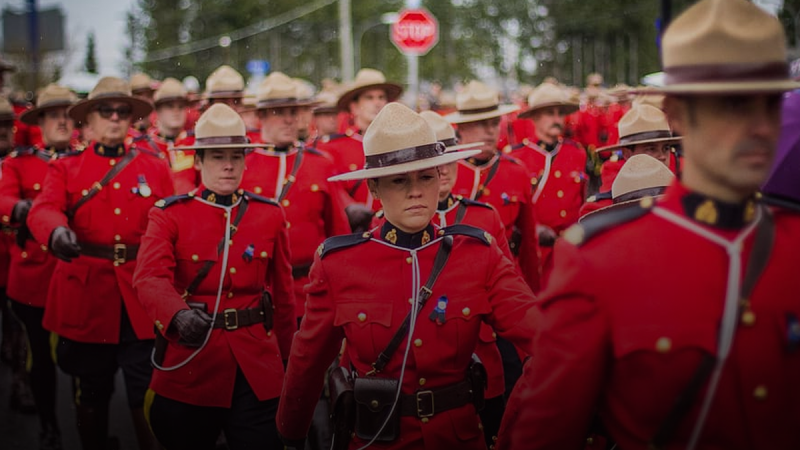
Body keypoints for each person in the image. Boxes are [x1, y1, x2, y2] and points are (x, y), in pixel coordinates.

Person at [498, 1, 800, 448]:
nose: (757, 126)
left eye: (768, 102)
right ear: (677, 113)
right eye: (730, 105)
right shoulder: (599, 261)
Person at [276, 102, 537, 449]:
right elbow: (308, 362)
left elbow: (546, 339)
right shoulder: (339, 264)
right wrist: (290, 436)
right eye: (399, 180)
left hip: (459, 438)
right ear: (374, 189)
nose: (416, 190)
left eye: (426, 176)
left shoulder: (478, 253)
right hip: (377, 437)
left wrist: (513, 431)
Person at [133, 103, 295, 450]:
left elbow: (283, 296)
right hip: (195, 359)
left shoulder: (269, 214)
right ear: (199, 160)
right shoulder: (169, 215)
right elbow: (148, 277)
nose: (228, 165)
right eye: (218, 156)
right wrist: (177, 315)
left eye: (236, 156)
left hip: (256, 363)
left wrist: (287, 362)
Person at [27, 76, 174, 450]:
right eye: (105, 111)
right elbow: (44, 210)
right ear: (88, 122)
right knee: (92, 391)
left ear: (131, 120)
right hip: (88, 296)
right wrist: (56, 232)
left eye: (122, 111)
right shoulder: (65, 168)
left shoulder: (154, 166)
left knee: (148, 389)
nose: (114, 117)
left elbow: (174, 222)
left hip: (140, 297)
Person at [420, 109, 511, 447]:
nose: (442, 169)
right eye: (432, 160)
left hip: (481, 358)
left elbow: (511, 293)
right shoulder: (383, 224)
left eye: (449, 157)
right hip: (419, 369)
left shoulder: (484, 218)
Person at [0, 84, 78, 450]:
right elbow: (4, 196)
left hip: (78, 277)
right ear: (41, 122)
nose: (62, 121)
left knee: (82, 361)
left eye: (67, 114)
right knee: (41, 360)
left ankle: (84, 428)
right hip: (34, 277)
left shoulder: (86, 160)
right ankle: (49, 426)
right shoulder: (19, 161)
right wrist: (22, 210)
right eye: (53, 114)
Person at [240, 71, 351, 324]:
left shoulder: (320, 164)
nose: (289, 119)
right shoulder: (244, 165)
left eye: (293, 111)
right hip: (258, 292)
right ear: (261, 116)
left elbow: (338, 233)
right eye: (279, 112)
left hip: (309, 290)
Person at [510, 82, 586, 284]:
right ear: (534, 117)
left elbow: (582, 198)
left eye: (560, 113)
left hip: (571, 250)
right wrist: (533, 229)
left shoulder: (576, 152)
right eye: (550, 113)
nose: (557, 118)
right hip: (536, 254)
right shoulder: (518, 157)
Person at [317, 68, 403, 210]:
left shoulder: (398, 144)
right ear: (354, 107)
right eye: (369, 98)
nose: (377, 103)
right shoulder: (333, 148)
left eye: (381, 97)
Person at [582, 104, 682, 217]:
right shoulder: (604, 210)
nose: (662, 156)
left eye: (666, 148)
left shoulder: (684, 198)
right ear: (627, 154)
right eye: (651, 149)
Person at [141, 78, 196, 194]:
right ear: (158, 111)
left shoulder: (195, 143)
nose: (176, 111)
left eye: (181, 107)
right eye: (170, 106)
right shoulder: (144, 146)